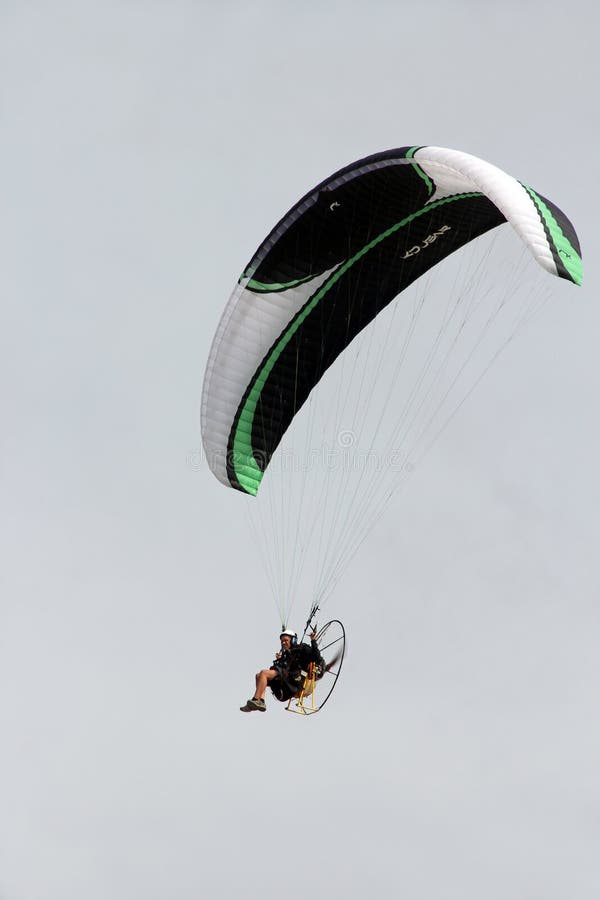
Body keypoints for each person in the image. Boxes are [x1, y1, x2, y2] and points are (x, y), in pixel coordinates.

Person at [240, 628, 324, 713]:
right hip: (283, 685)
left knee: (264, 673)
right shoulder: (286, 654)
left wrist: (313, 641)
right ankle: (261, 701)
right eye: (282, 641)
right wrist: (280, 660)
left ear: (293, 640)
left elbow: (316, 657)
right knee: (258, 676)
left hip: (293, 682)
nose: (283, 642)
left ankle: (255, 699)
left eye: (286, 640)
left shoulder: (302, 649)